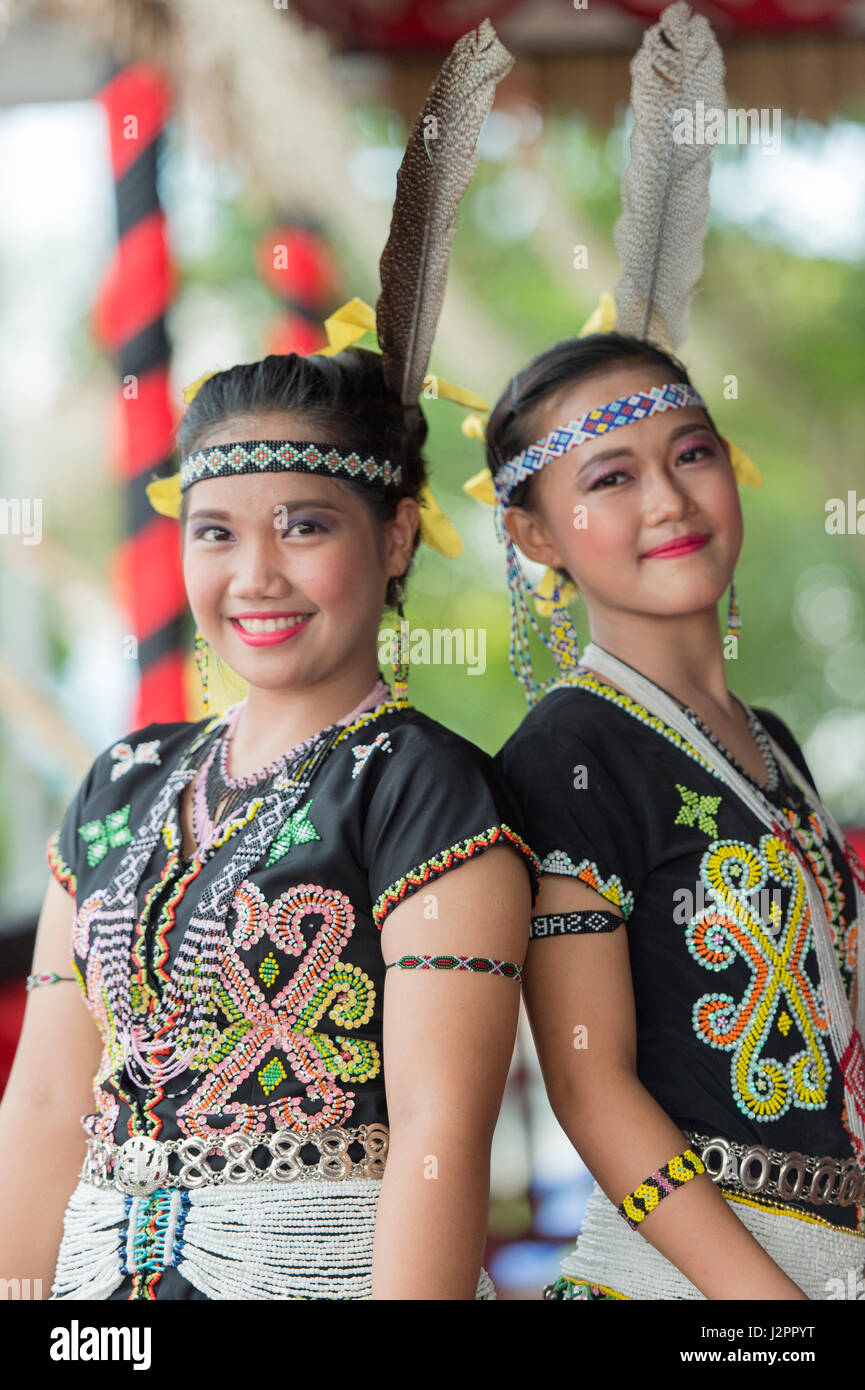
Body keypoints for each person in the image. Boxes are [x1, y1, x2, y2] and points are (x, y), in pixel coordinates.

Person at [0, 21, 539, 1300]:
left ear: (394, 532)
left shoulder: (428, 790)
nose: (255, 575)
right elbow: (45, 1097)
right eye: (216, 534)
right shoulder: (122, 782)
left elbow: (438, 1142)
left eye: (305, 527)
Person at [478, 330, 864, 1300]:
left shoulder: (769, 738)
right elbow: (588, 1085)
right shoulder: (566, 754)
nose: (668, 499)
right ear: (535, 535)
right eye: (610, 478)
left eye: (691, 453)